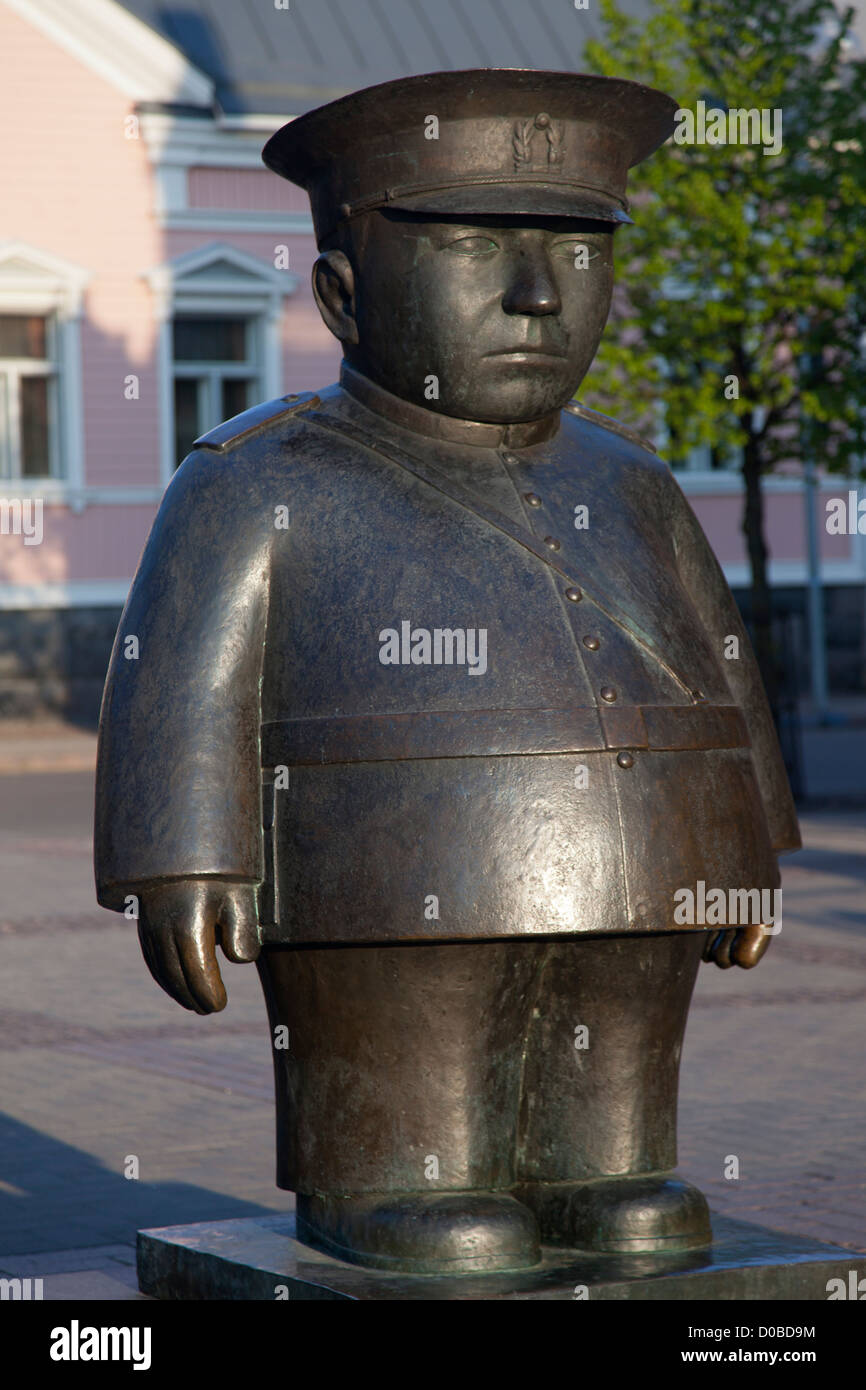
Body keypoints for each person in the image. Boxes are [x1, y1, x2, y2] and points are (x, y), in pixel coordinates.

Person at [95, 69, 800, 1275]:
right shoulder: (256, 481)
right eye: (479, 247)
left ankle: (603, 1165)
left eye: (576, 255)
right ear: (341, 293)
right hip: (375, 877)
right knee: (415, 1045)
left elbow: (718, 667)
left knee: (619, 1051)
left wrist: (744, 851)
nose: (536, 296)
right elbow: (181, 679)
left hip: (635, 866)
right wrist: (184, 855)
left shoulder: (633, 486)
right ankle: (381, 1172)